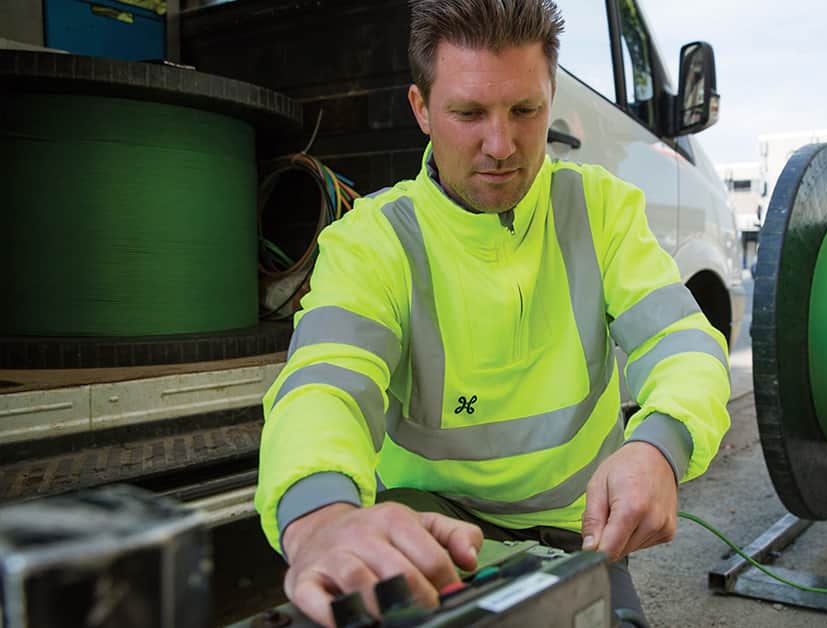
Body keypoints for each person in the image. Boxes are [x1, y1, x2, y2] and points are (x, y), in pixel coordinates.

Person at [253, 1, 732, 625]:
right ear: (421, 110)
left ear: (552, 96)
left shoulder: (603, 211)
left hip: (577, 537)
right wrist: (321, 520)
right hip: (425, 529)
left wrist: (660, 446)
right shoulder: (372, 240)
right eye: (469, 113)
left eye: (525, 110)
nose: (501, 145)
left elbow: (683, 344)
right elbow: (323, 383)